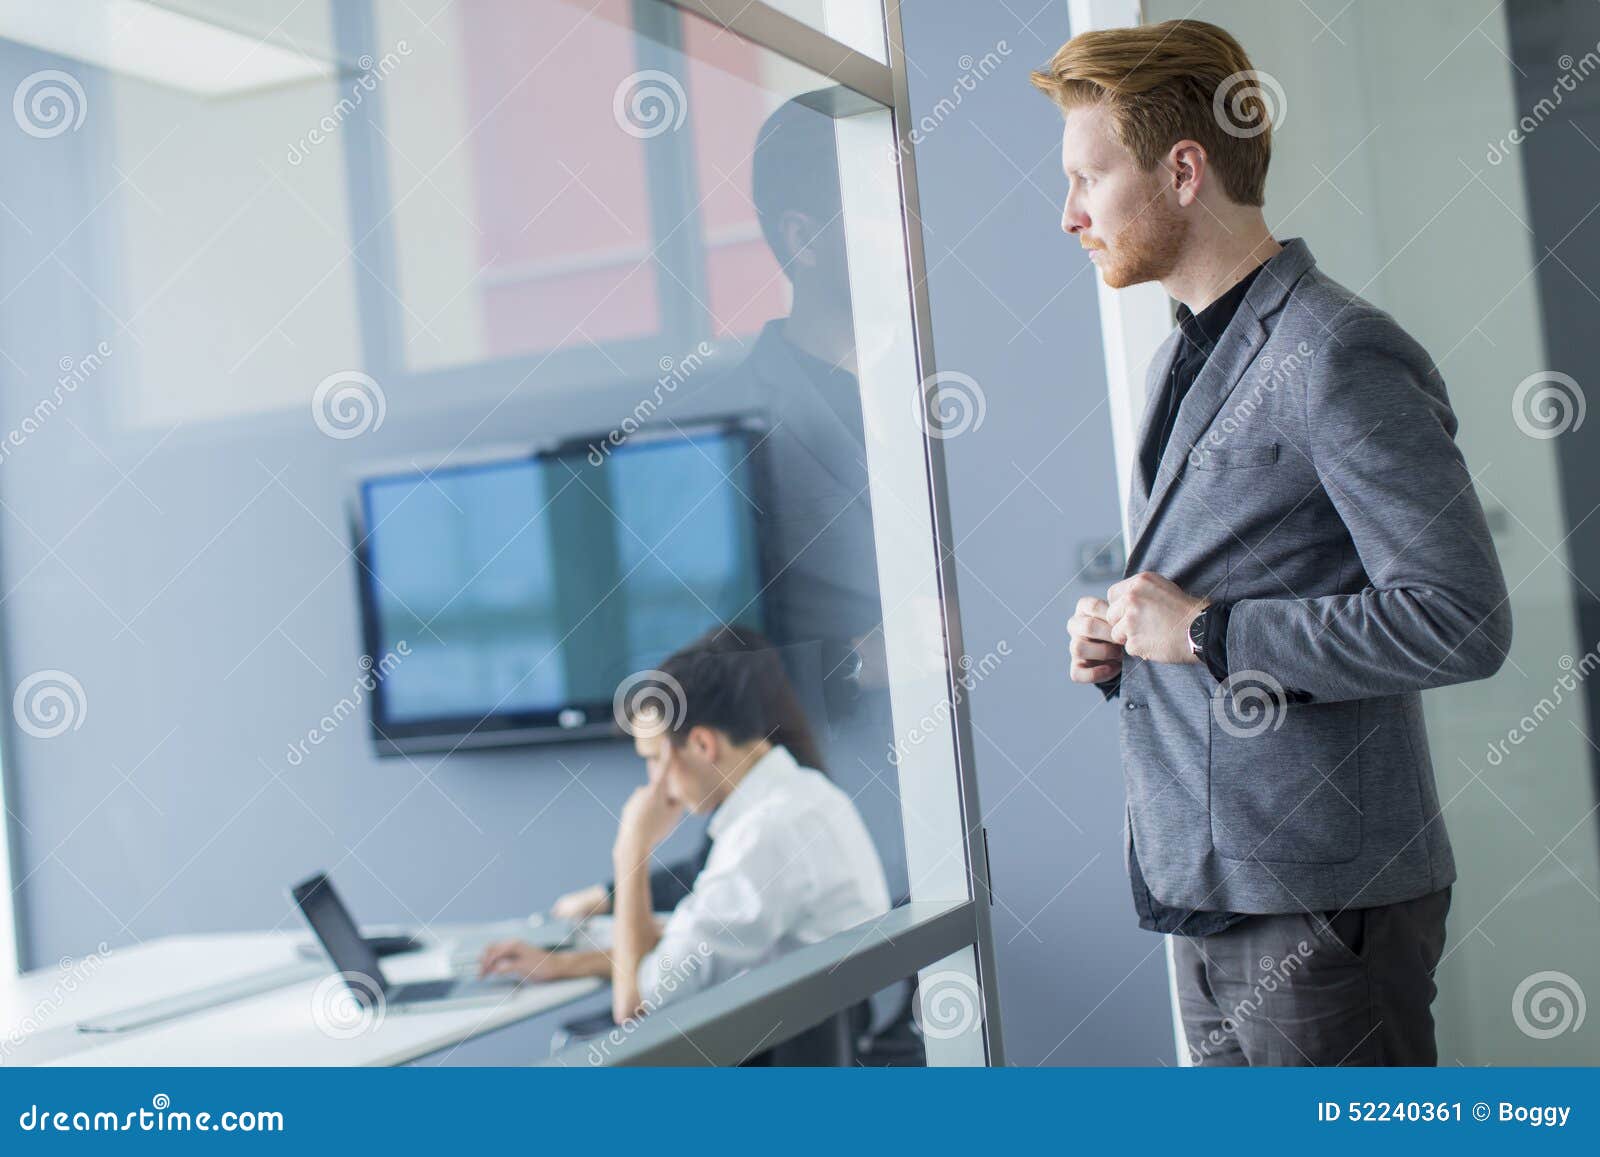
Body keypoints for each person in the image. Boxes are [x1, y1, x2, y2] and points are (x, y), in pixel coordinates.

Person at [1035, 19, 1511, 1065]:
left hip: (1322, 905)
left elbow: (1460, 620)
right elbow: (1238, 587)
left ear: (1183, 169)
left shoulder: (1336, 351)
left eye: (1088, 178)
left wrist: (1205, 630)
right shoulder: (1174, 364)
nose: (1068, 215)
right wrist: (1130, 645)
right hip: (1206, 894)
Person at [478, 625, 890, 1030]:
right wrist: (565, 965)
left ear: (702, 745)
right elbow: (688, 951)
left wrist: (631, 850)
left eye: (655, 758)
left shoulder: (764, 837)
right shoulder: (801, 796)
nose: (653, 784)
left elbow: (636, 1007)